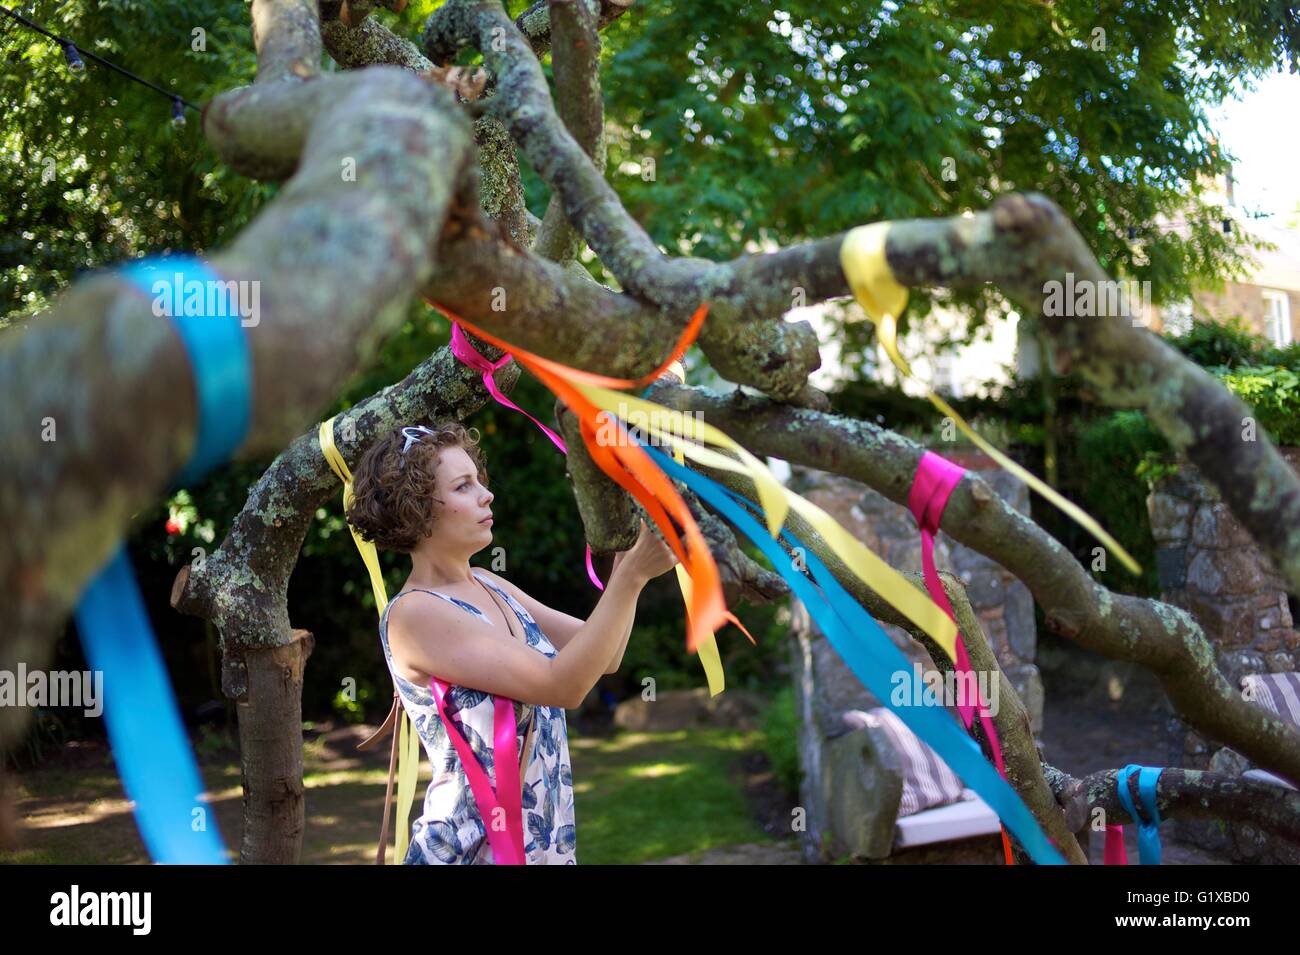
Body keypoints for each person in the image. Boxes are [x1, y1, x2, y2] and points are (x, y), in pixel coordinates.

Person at [345, 419, 679, 864]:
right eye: (464, 486)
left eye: (478, 481)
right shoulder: (416, 614)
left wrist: (627, 547)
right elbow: (564, 685)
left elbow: (606, 655)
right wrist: (635, 573)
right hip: (473, 854)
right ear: (416, 509)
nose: (487, 494)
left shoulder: (489, 583)